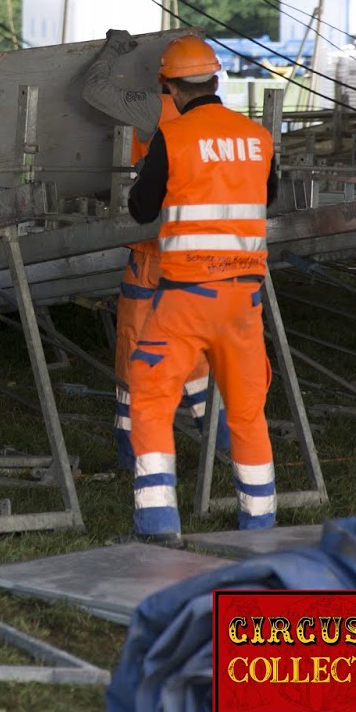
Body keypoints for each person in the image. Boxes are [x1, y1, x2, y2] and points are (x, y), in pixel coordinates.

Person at [124, 33, 278, 539]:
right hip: (244, 300)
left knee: (149, 393)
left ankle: (157, 522)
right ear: (215, 80)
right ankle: (260, 524)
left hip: (187, 297)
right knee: (247, 413)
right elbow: (268, 196)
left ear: (169, 87)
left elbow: (142, 209)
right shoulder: (257, 138)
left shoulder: (173, 137)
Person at [81, 27, 227, 470]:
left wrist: (112, 49)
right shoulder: (233, 127)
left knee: (136, 352)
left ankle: (134, 454)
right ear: (214, 80)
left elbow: (94, 89)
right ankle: (224, 444)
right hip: (206, 258)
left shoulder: (156, 109)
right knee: (196, 351)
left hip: (154, 256)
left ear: (168, 82)